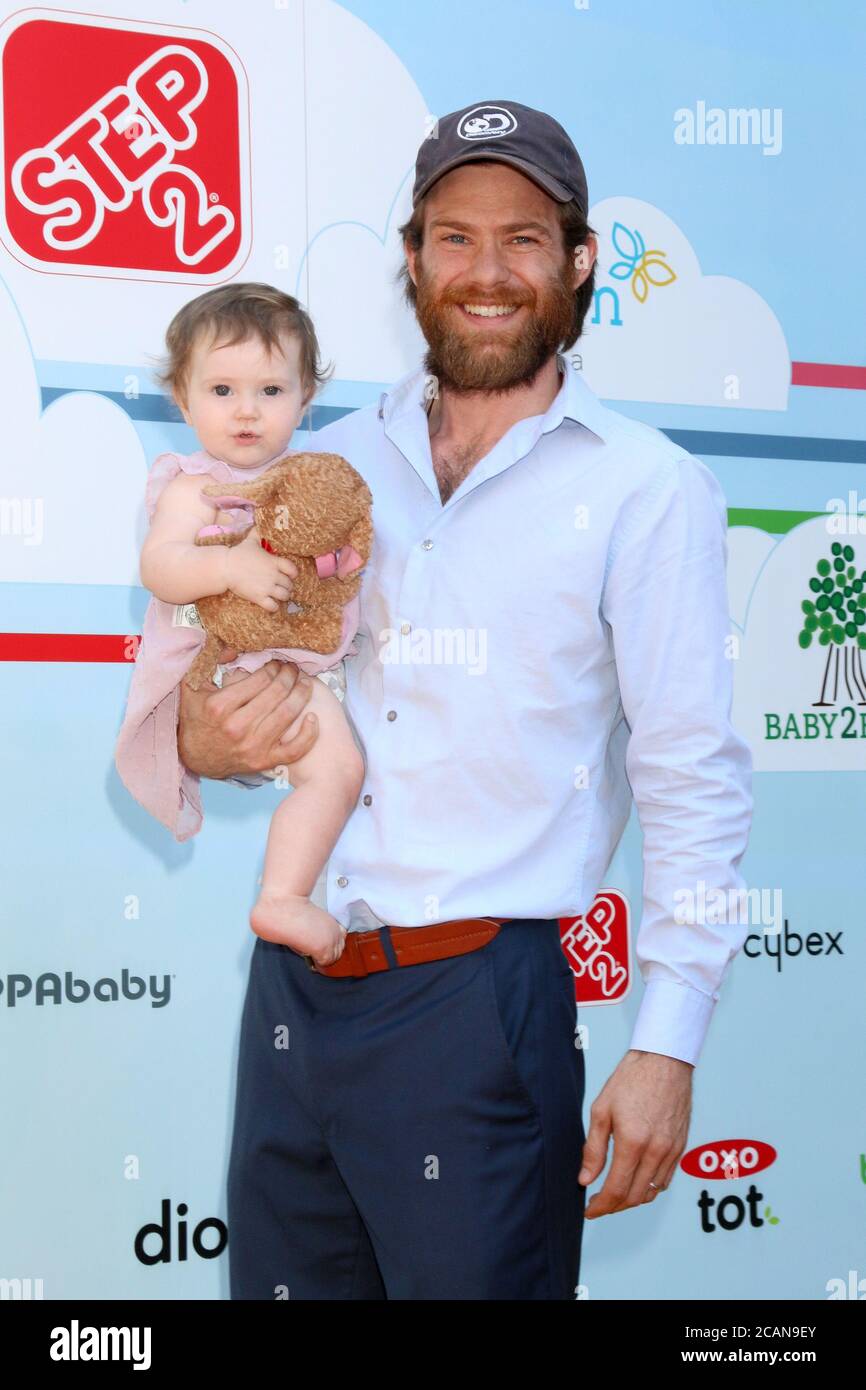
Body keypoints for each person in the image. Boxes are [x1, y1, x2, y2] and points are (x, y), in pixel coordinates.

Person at [176, 101, 754, 1300]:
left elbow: (690, 774)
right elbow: (238, 678)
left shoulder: (648, 490)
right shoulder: (325, 460)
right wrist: (208, 734)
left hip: (477, 1008)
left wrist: (665, 1041)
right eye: (452, 237)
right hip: (295, 996)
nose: (485, 272)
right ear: (411, 258)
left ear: (578, 259)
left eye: (524, 238)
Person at [114, 283, 368, 965]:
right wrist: (231, 569)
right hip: (225, 660)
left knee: (336, 774)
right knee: (340, 768)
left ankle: (290, 892)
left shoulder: (311, 480)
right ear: (182, 398)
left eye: (271, 391)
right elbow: (161, 567)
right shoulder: (193, 486)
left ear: (305, 397)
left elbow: (332, 565)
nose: (247, 411)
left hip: (296, 662)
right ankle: (284, 896)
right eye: (222, 391)